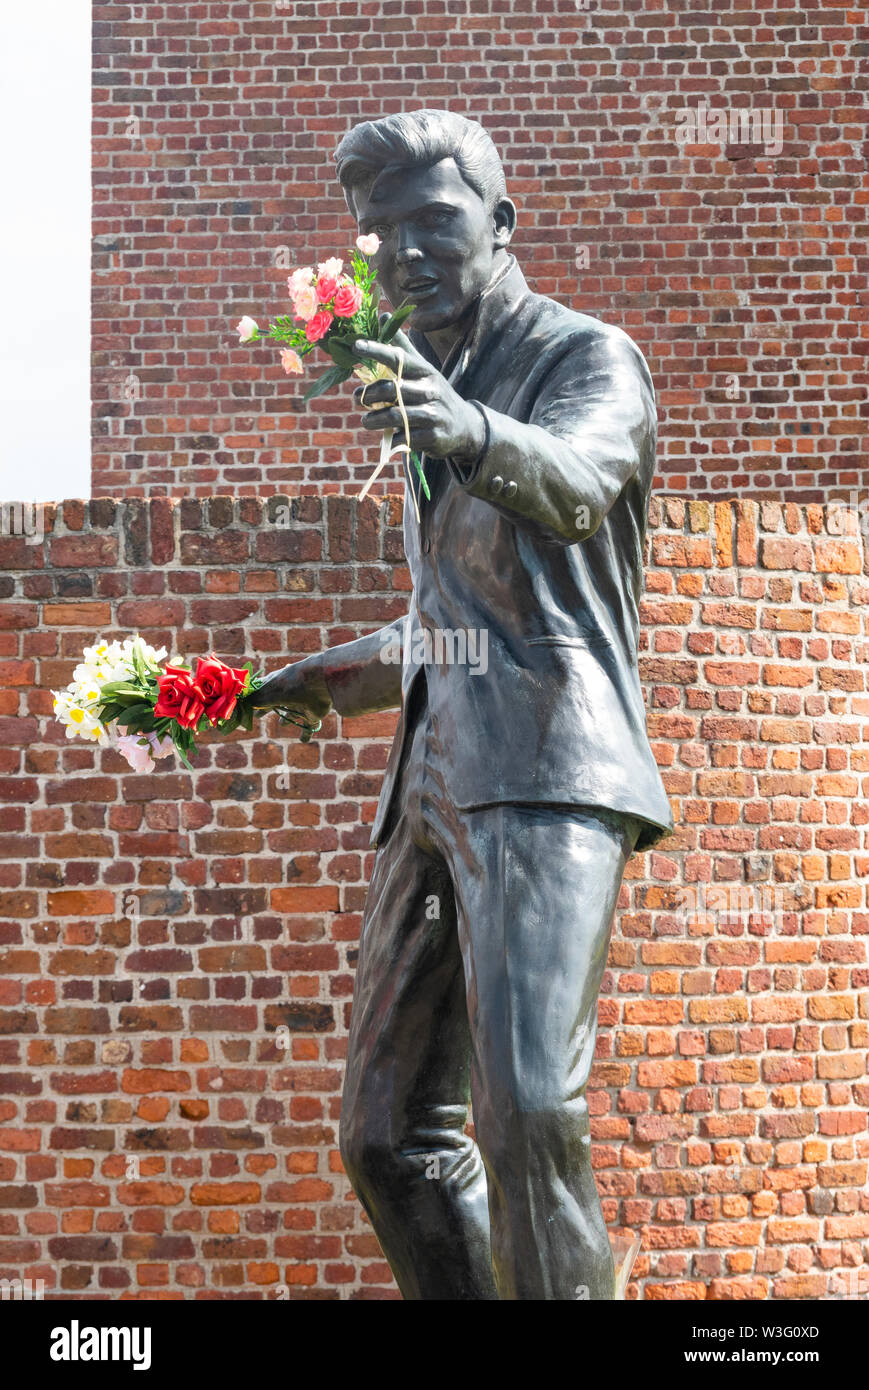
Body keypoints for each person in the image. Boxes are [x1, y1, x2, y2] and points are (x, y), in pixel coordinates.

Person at [250, 109, 673, 1299]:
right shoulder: (425, 383)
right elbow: (452, 620)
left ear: (500, 223)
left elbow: (584, 482)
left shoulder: (584, 357)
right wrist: (299, 683)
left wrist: (471, 428)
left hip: (546, 765)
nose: (401, 252)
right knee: (385, 1136)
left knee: (529, 1106)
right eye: (378, 233)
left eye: (432, 220)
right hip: (435, 779)